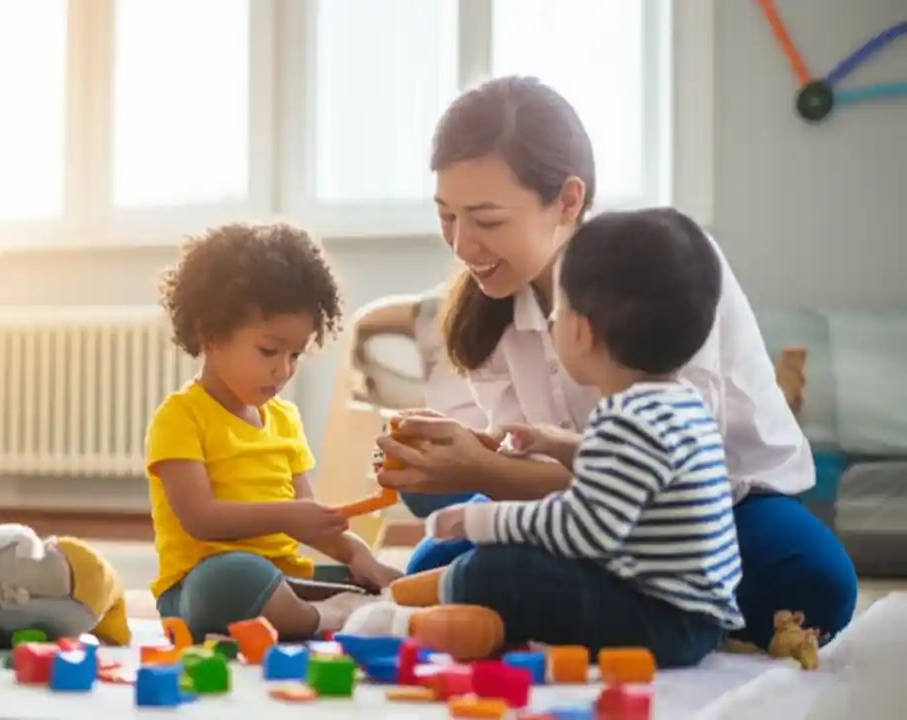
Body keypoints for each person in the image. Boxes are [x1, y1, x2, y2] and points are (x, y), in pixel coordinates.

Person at [376, 76, 857, 651]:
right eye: (447, 216)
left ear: (569, 200)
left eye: (487, 219)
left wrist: (483, 473)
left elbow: (657, 476)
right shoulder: (488, 309)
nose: (462, 245)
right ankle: (587, 597)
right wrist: (476, 450)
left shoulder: (662, 265)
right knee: (433, 545)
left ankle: (583, 599)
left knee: (814, 585)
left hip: (714, 507)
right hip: (579, 499)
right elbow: (540, 460)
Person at [350, 208, 742, 667]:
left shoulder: (628, 417)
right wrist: (555, 443)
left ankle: (402, 619)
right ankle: (445, 604)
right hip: (693, 616)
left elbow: (584, 531)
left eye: (557, 311)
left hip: (659, 620)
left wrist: (483, 522)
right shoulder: (677, 403)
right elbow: (630, 472)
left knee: (502, 567)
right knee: (504, 564)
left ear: (581, 330)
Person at [146, 222, 401, 641]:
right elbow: (201, 519)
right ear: (211, 335)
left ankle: (333, 605)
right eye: (269, 351)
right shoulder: (179, 417)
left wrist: (358, 554)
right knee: (234, 576)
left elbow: (309, 522)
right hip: (202, 586)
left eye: (295, 354)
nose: (282, 369)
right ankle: (329, 618)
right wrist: (286, 514)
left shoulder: (284, 420)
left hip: (280, 579)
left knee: (366, 579)